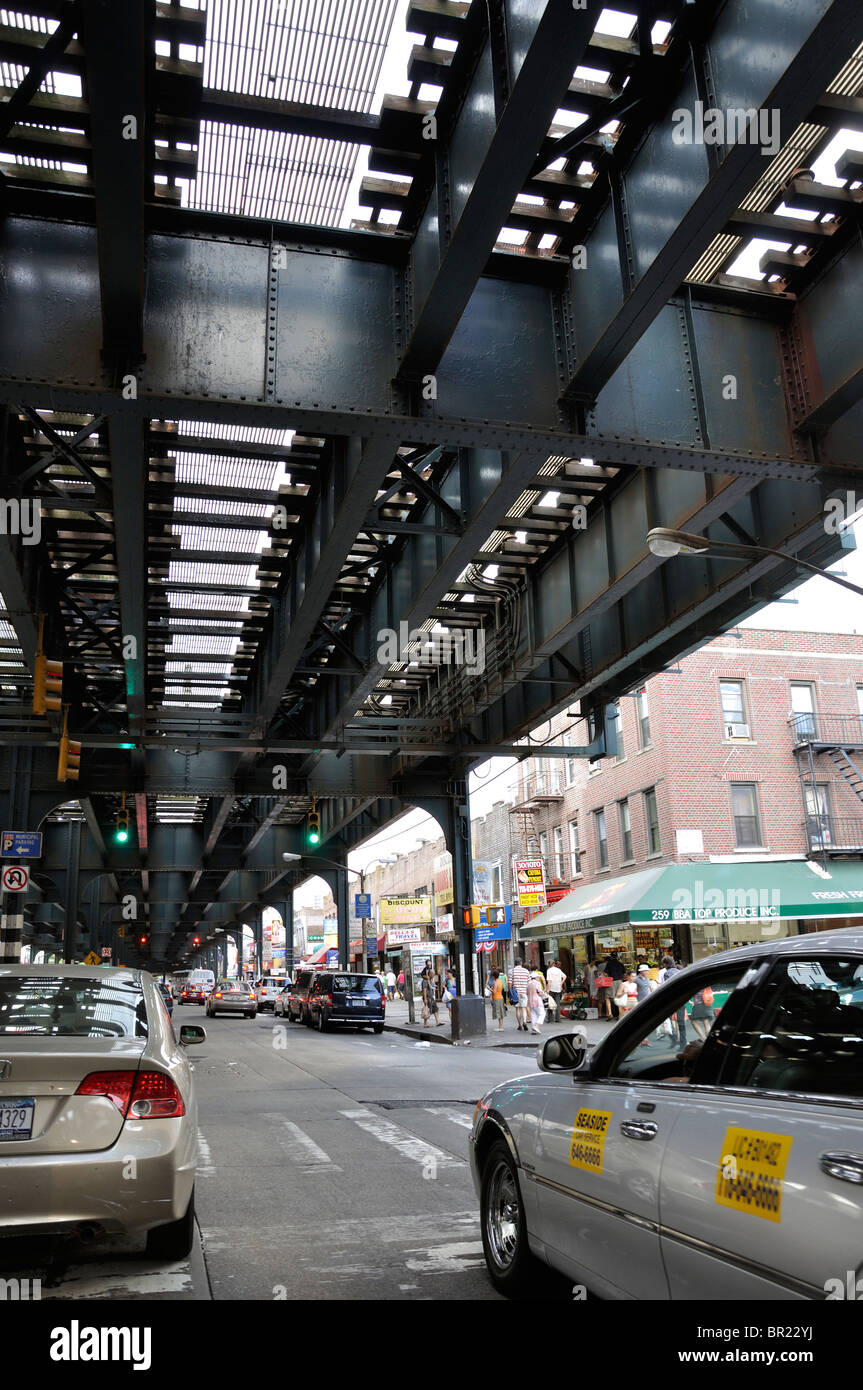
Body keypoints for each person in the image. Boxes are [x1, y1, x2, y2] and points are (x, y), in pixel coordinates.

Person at [507, 958, 532, 1031]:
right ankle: (524, 1021)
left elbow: (509, 983)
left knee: (517, 1009)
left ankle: (520, 1025)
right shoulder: (526, 971)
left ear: (515, 963)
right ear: (521, 963)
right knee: (524, 1008)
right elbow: (529, 983)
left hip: (515, 993)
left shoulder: (512, 971)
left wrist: (510, 992)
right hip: (524, 992)